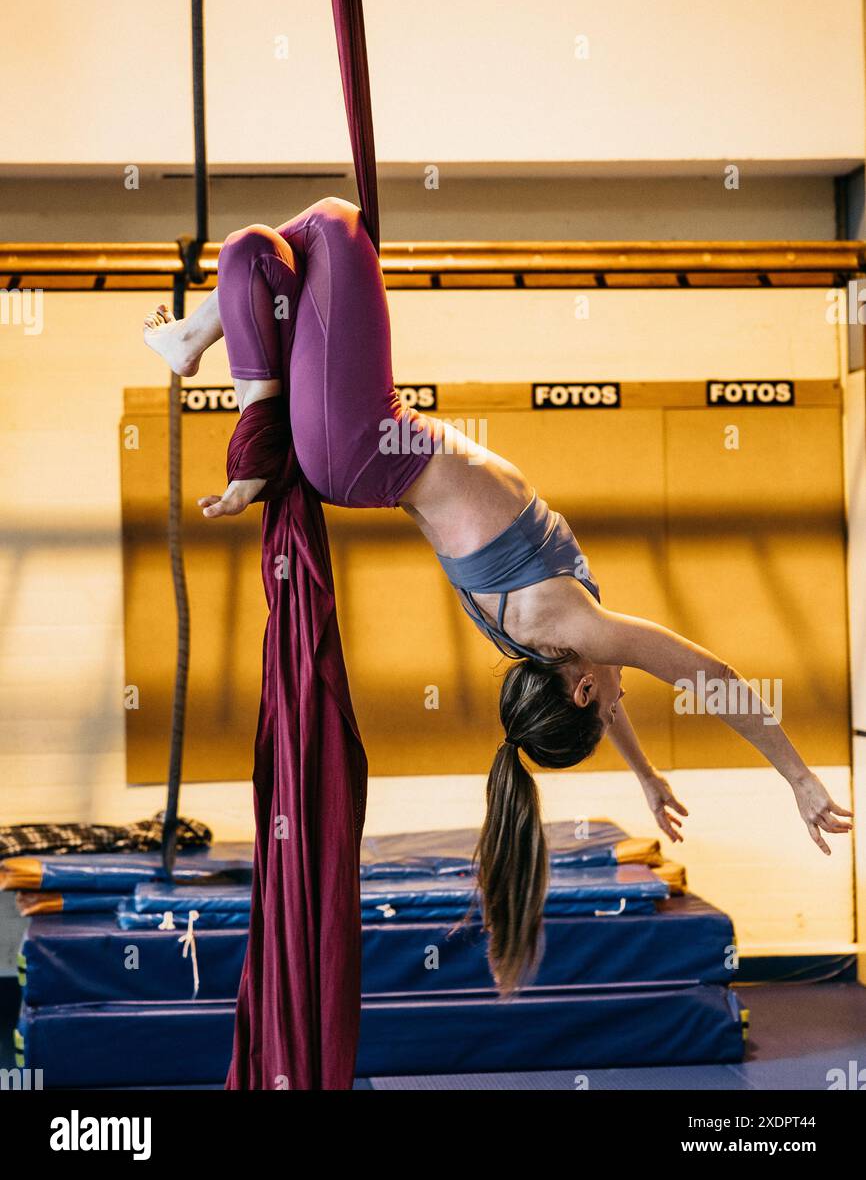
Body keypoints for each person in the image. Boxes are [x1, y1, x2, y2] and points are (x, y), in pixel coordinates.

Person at [144, 195, 852, 992]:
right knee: (262, 258)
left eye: (608, 689)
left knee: (337, 223)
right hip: (347, 458)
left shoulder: (568, 624)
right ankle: (194, 339)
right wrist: (646, 775)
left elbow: (709, 677)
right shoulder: (523, 640)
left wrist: (797, 776)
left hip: (362, 439)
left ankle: (232, 401)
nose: (622, 691)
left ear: (582, 680)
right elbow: (605, 703)